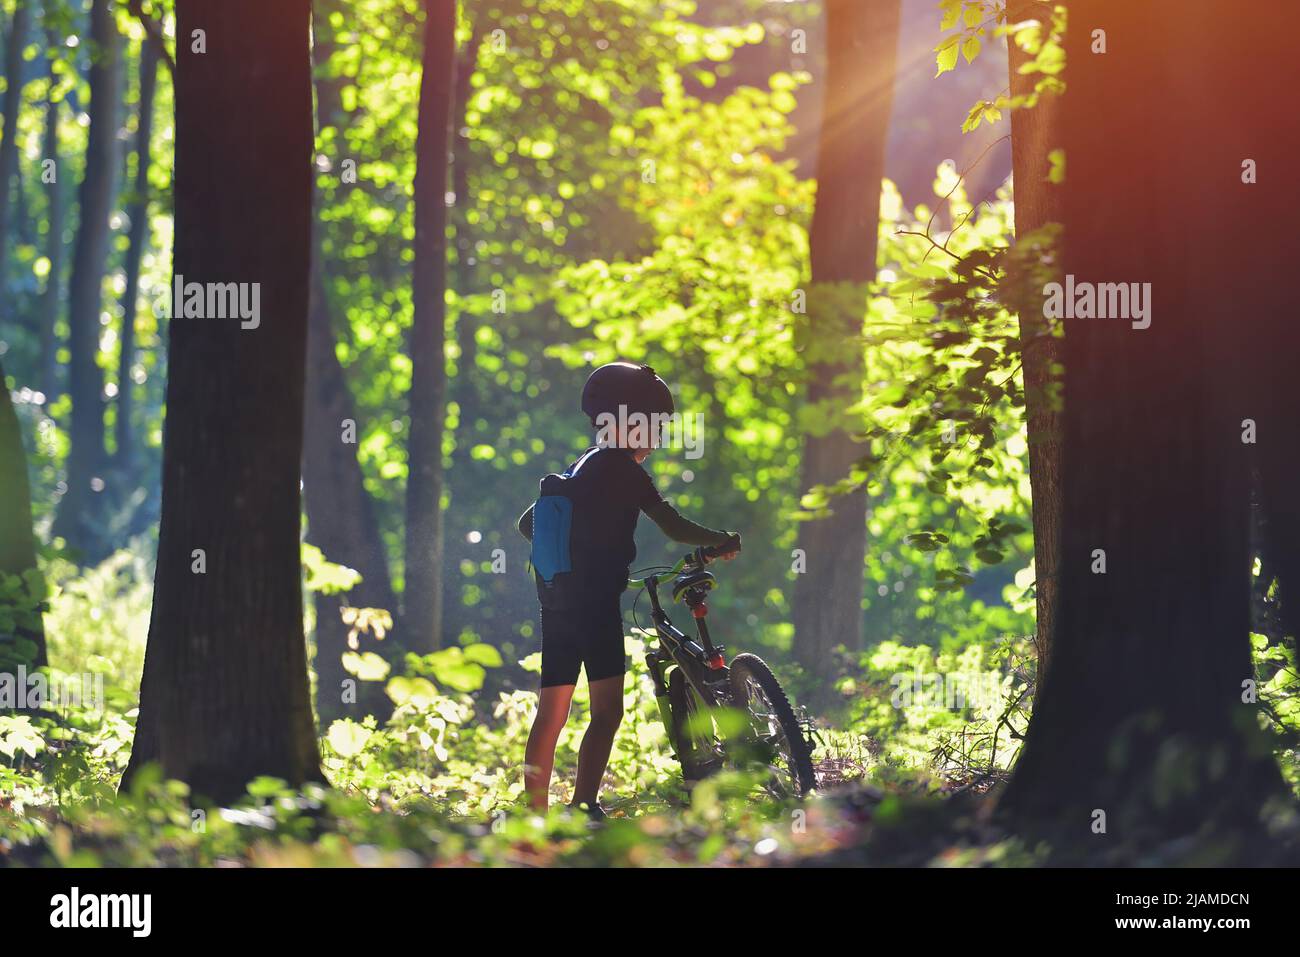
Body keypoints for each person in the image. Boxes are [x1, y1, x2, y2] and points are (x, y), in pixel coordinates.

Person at [516, 362, 740, 819]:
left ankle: (533, 811)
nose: (656, 438)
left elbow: (527, 524)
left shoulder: (580, 464)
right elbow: (674, 526)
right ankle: (584, 806)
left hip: (557, 605)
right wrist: (719, 539)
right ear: (627, 421)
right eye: (653, 426)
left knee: (551, 712)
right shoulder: (622, 468)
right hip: (596, 608)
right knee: (606, 713)